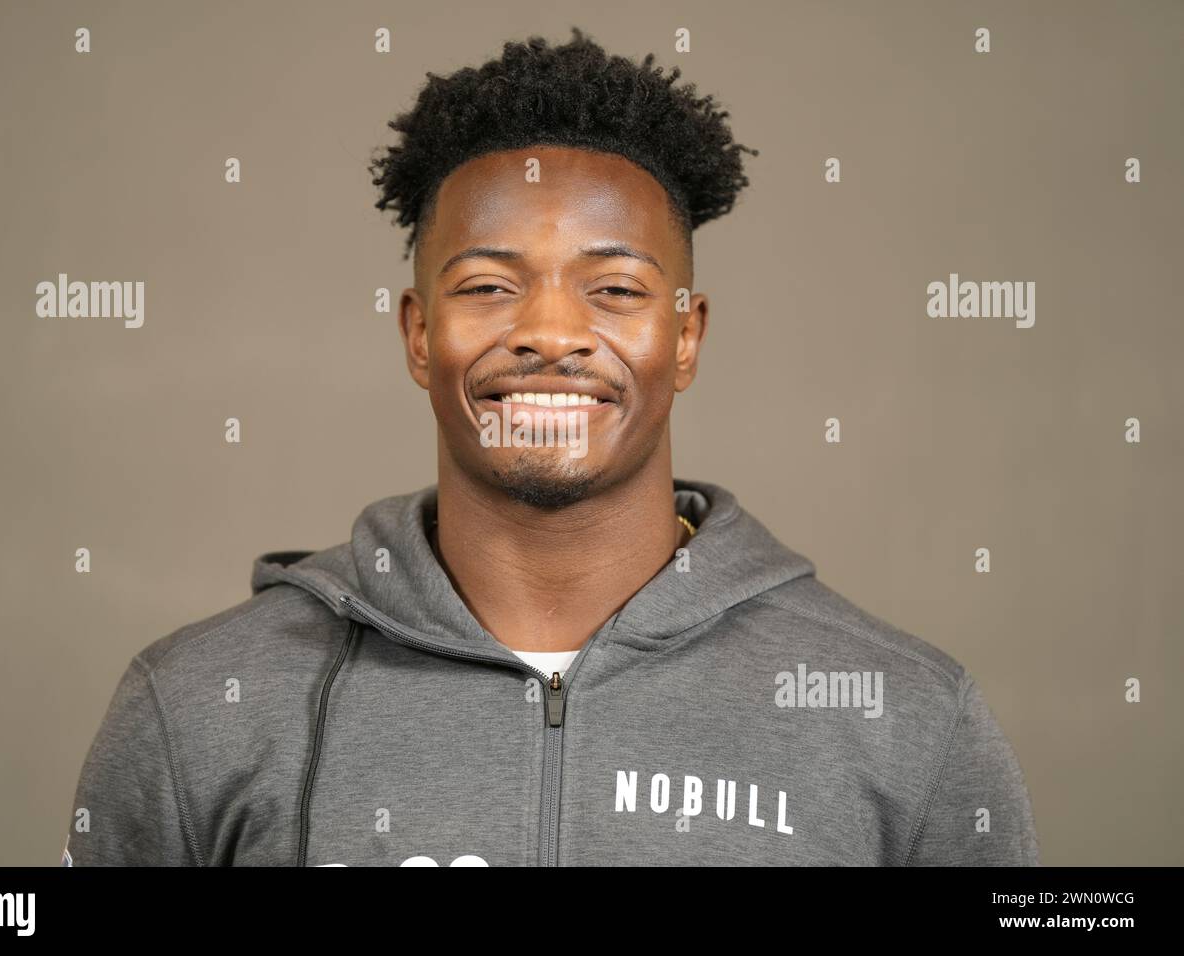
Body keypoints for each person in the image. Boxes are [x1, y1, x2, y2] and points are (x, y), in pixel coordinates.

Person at [63, 27, 1039, 866]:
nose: (550, 331)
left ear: (687, 335)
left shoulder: (903, 716)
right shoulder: (198, 705)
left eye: (613, 289)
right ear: (415, 331)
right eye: (488, 284)